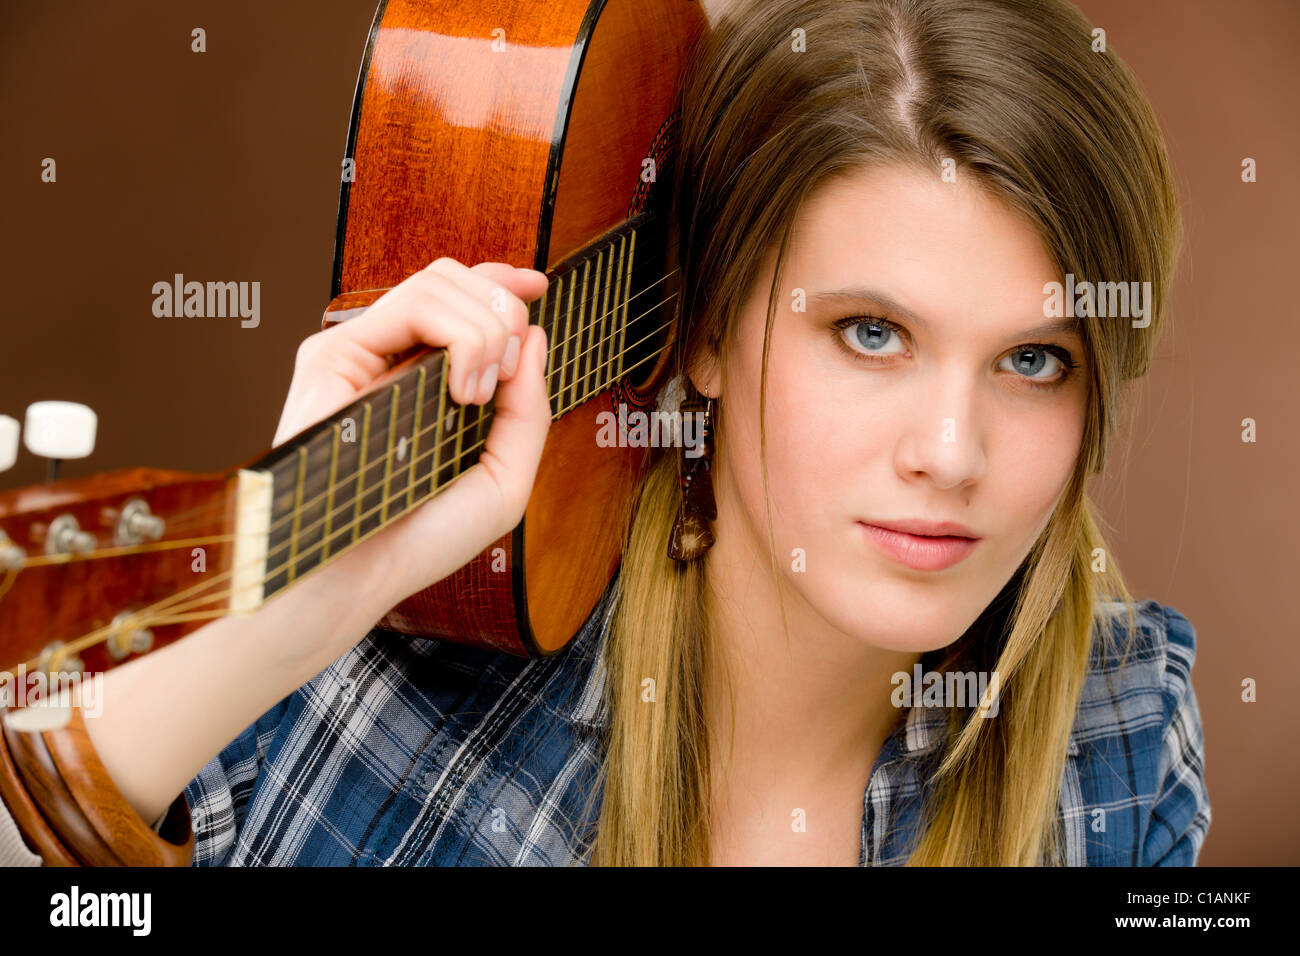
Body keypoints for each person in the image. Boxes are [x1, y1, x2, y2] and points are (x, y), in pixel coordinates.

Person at [0, 0, 1209, 867]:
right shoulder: (403, 674)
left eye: (1034, 359)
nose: (951, 452)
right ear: (703, 332)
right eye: (870, 333)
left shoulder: (1121, 733)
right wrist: (281, 598)